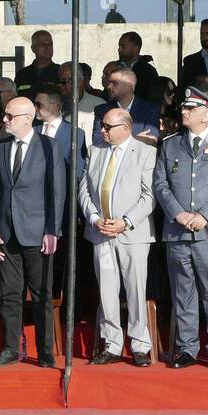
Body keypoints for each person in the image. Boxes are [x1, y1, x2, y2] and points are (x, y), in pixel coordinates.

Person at [154, 85, 208, 368]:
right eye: (184, 107)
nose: (184, 111)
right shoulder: (169, 143)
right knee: (182, 292)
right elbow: (161, 184)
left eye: (190, 108)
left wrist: (203, 215)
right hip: (178, 231)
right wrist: (178, 214)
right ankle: (187, 348)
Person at [0, 96, 65, 367]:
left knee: (41, 294)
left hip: (37, 231)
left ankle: (45, 352)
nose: (4, 119)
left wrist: (52, 230)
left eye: (10, 116)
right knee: (9, 294)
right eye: (5, 115)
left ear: (27, 119)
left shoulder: (49, 146)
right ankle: (9, 349)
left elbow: (57, 191)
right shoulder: (2, 146)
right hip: (7, 232)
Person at [83, 108, 158, 366]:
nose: (102, 130)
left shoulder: (146, 153)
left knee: (135, 289)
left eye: (107, 126)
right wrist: (94, 218)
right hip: (100, 231)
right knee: (106, 289)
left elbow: (149, 197)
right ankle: (112, 344)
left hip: (132, 234)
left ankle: (139, 344)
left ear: (125, 128)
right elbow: (84, 191)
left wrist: (125, 222)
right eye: (102, 126)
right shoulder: (95, 151)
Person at [92, 67, 159, 147]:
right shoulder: (101, 110)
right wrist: (135, 138)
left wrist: (114, 140)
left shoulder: (149, 109)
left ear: (129, 86)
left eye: (115, 83)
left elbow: (150, 140)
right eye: (109, 82)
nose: (109, 86)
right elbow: (98, 142)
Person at [34, 91, 86, 180]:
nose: (35, 108)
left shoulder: (75, 133)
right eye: (34, 104)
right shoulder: (31, 128)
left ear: (54, 106)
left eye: (39, 105)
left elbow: (77, 171)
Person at [60, 61, 103, 142]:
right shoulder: (55, 106)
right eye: (58, 81)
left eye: (63, 82)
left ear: (79, 82)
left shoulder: (99, 106)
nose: (60, 86)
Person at [14, 29, 60, 98]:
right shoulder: (22, 74)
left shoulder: (60, 72)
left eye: (50, 44)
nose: (47, 48)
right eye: (43, 45)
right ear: (33, 48)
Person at [117, 31, 158, 99]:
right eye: (119, 46)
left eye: (123, 46)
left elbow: (153, 96)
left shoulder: (148, 71)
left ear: (136, 48)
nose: (119, 49)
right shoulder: (115, 67)